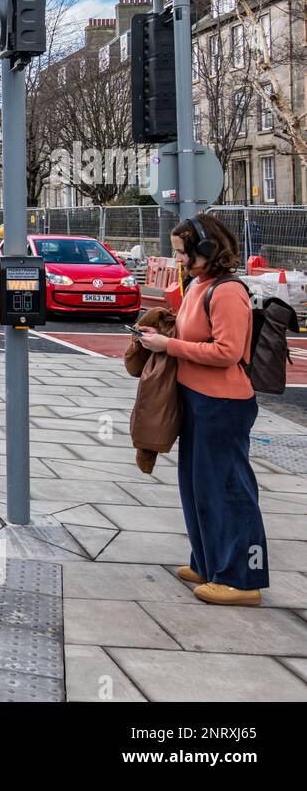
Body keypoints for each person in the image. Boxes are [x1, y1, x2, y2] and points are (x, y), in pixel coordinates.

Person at [138, 213, 268, 607]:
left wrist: (168, 347)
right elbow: (194, 333)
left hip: (223, 404)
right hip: (196, 398)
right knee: (197, 487)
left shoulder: (228, 291)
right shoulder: (199, 284)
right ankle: (208, 562)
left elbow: (228, 353)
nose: (177, 260)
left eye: (183, 252)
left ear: (208, 250)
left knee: (228, 489)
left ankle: (241, 580)